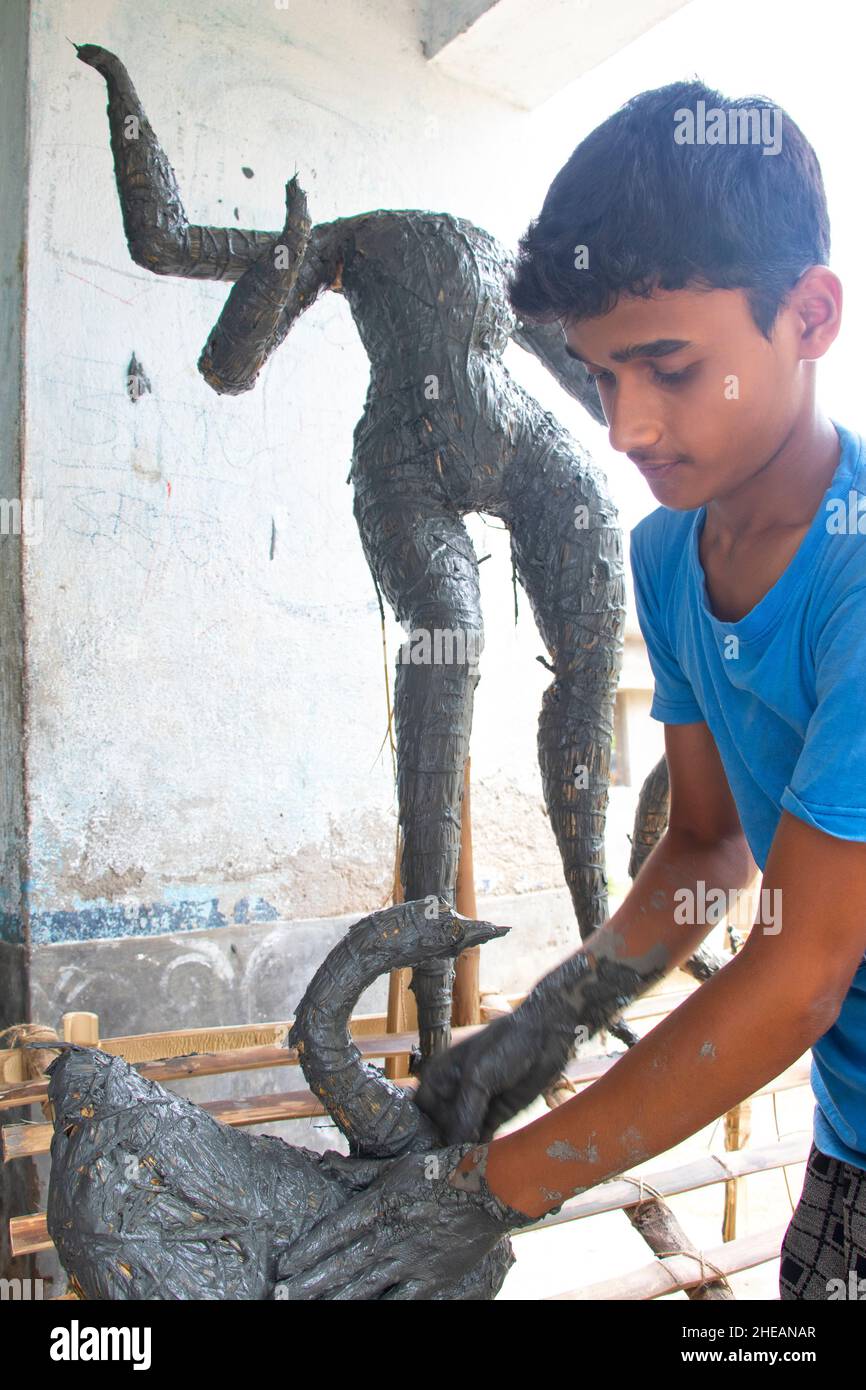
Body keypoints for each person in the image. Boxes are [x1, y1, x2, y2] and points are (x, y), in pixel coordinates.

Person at [276, 80, 866, 1302]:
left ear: (807, 315)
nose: (623, 427)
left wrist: (493, 1187)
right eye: (598, 376)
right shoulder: (666, 550)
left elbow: (802, 963)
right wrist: (545, 1019)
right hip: (849, 1141)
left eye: (666, 366)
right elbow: (706, 846)